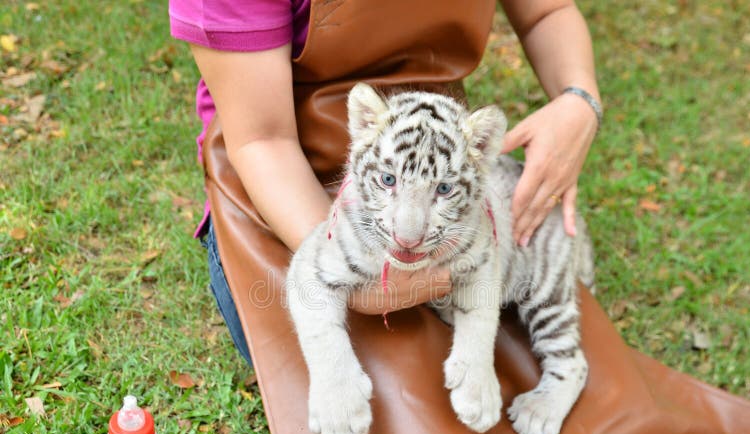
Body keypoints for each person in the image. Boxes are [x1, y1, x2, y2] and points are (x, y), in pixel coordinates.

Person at [168, 0, 602, 365]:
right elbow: (264, 140)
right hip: (288, 191)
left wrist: (578, 99)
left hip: (434, 179)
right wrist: (341, 265)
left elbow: (548, 10)